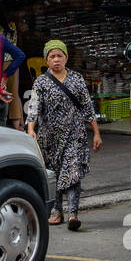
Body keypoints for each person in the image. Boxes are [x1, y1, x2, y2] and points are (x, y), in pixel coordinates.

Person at [25, 39, 101, 231]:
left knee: (72, 171)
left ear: (66, 58)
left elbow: (87, 107)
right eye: (52, 56)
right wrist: (31, 128)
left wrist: (97, 133)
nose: (56, 59)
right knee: (55, 172)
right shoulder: (41, 82)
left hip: (74, 134)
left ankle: (73, 213)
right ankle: (57, 211)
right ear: (46, 60)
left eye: (60, 55)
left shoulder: (76, 79)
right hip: (49, 137)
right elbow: (34, 106)